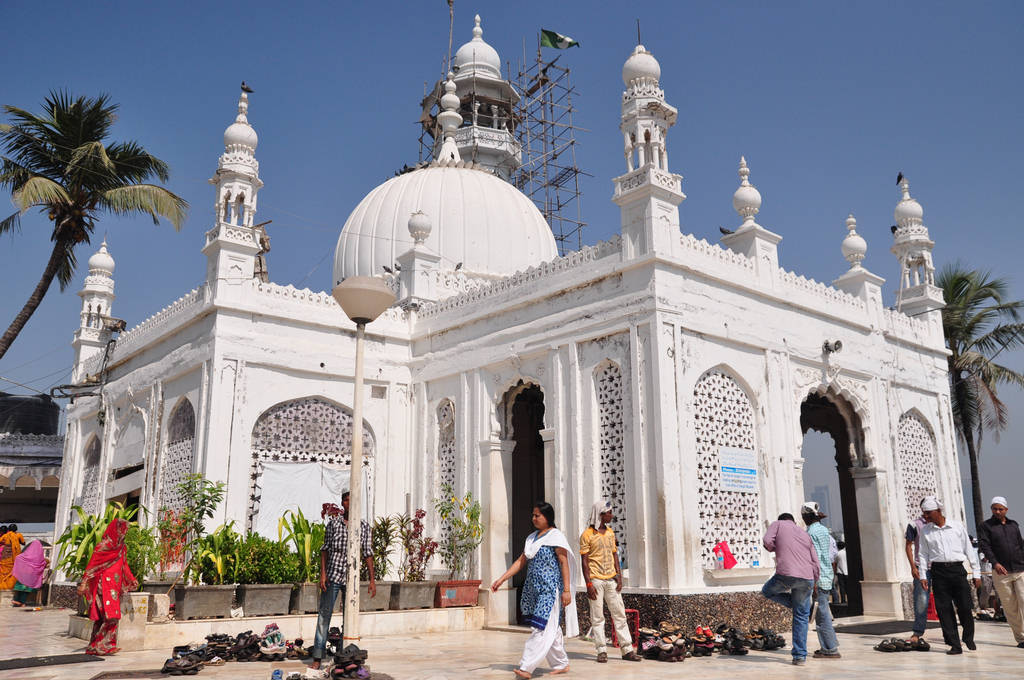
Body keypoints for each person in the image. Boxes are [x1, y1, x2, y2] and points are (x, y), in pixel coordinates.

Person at [491, 502, 579, 679]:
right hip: (534, 590)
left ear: (548, 517)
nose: (534, 518)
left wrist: (567, 590)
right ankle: (561, 663)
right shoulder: (532, 538)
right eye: (533, 515)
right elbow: (520, 562)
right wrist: (501, 579)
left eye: (537, 515)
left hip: (550, 590)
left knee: (540, 628)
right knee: (550, 628)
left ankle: (526, 667)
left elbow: (564, 563)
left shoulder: (556, 537)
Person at [307, 491, 375, 678]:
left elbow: (368, 554)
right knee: (324, 616)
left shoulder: (363, 527)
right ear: (342, 503)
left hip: (351, 579)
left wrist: (371, 580)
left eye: (352, 500)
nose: (349, 503)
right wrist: (322, 575)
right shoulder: (333, 524)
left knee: (349, 618)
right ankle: (318, 657)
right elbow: (325, 550)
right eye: (346, 500)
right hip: (333, 576)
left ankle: (346, 655)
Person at [579, 500, 642, 663]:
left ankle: (627, 649)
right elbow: (584, 561)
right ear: (600, 514)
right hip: (596, 581)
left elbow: (615, 555)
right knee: (598, 617)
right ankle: (601, 650)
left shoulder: (610, 533)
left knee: (619, 615)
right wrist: (588, 584)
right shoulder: (587, 535)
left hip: (611, 580)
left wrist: (619, 577)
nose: (611, 515)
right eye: (609, 512)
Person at [916, 496, 980, 655]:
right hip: (938, 572)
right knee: (944, 610)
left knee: (965, 606)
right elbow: (923, 554)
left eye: (929, 513)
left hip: (957, 570)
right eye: (924, 514)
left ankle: (968, 637)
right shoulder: (926, 531)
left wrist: (976, 573)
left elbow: (969, 550)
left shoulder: (957, 526)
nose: (926, 517)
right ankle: (954, 644)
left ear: (938, 511)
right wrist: (923, 575)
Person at [761, 513, 819, 666]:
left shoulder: (777, 524)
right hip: (807, 577)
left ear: (782, 520)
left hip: (786, 574)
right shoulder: (804, 533)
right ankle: (800, 657)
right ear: (793, 522)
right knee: (801, 616)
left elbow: (767, 541)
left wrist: (775, 547)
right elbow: (815, 560)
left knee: (767, 591)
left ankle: (799, 605)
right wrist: (815, 582)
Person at [76, 519, 137, 655]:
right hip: (102, 585)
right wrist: (84, 583)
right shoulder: (104, 546)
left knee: (105, 616)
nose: (124, 533)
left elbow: (123, 565)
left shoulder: (121, 547)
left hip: (113, 586)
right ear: (116, 529)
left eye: (125, 530)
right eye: (122, 529)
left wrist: (131, 579)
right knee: (110, 615)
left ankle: (96, 646)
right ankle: (102, 645)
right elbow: (92, 565)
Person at [977, 495, 1024, 648]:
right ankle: (1021, 638)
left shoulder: (1013, 525)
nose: (997, 511)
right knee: (1010, 607)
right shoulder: (986, 526)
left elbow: (1020, 544)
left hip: (1019, 569)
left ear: (1006, 510)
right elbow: (985, 546)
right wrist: (995, 563)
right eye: (994, 509)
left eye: (1000, 509)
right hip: (1001, 573)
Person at [801, 502, 840, 658]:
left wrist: (814, 581)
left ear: (807, 516)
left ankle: (830, 649)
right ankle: (829, 646)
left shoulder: (810, 533)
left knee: (822, 614)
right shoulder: (824, 531)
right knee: (823, 612)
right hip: (826, 575)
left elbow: (814, 558)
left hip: (818, 577)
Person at [904, 501, 930, 645]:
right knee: (921, 600)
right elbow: (908, 545)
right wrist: (913, 566)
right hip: (922, 567)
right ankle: (918, 632)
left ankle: (949, 632)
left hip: (940, 566)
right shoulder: (914, 525)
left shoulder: (939, 524)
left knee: (944, 600)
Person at [12, 539, 48, 607]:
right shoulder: (39, 556)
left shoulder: (26, 555)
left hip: (23, 575)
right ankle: (22, 602)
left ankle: (17, 600)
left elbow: (18, 557)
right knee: (27, 588)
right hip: (31, 576)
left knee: (21, 587)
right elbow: (43, 563)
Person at [0, 524, 24, 589]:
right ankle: (10, 586)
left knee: (3, 573)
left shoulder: (5, 536)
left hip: (6, 557)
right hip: (15, 557)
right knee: (12, 573)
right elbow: (23, 543)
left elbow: (0, 540)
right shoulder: (18, 535)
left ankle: (2, 586)